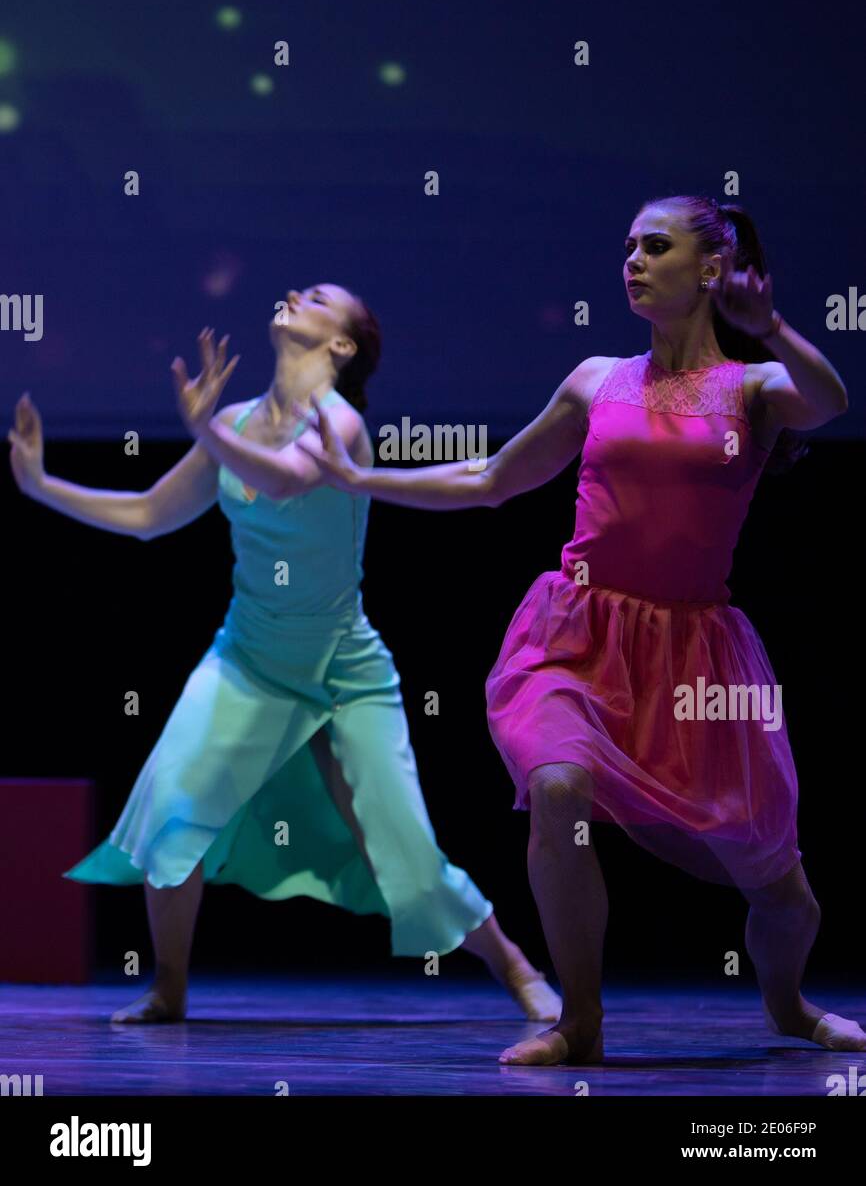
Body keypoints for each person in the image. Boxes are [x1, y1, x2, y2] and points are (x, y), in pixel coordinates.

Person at [297, 197, 866, 1066]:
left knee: (781, 887)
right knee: (558, 790)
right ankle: (581, 1022)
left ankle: (787, 1005)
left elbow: (829, 398)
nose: (632, 260)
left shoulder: (754, 389)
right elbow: (491, 477)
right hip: (577, 637)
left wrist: (774, 325)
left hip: (696, 662)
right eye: (628, 247)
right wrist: (361, 480)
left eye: (656, 246)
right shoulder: (596, 378)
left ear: (712, 270)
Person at [8, 283, 560, 1025]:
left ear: (343, 345)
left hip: (343, 670)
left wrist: (207, 432)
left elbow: (288, 480)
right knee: (172, 818)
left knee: (404, 853)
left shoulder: (341, 425)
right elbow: (147, 516)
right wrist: (40, 485)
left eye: (320, 297)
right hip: (247, 659)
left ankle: (517, 967)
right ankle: (170, 985)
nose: (295, 292)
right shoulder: (232, 421)